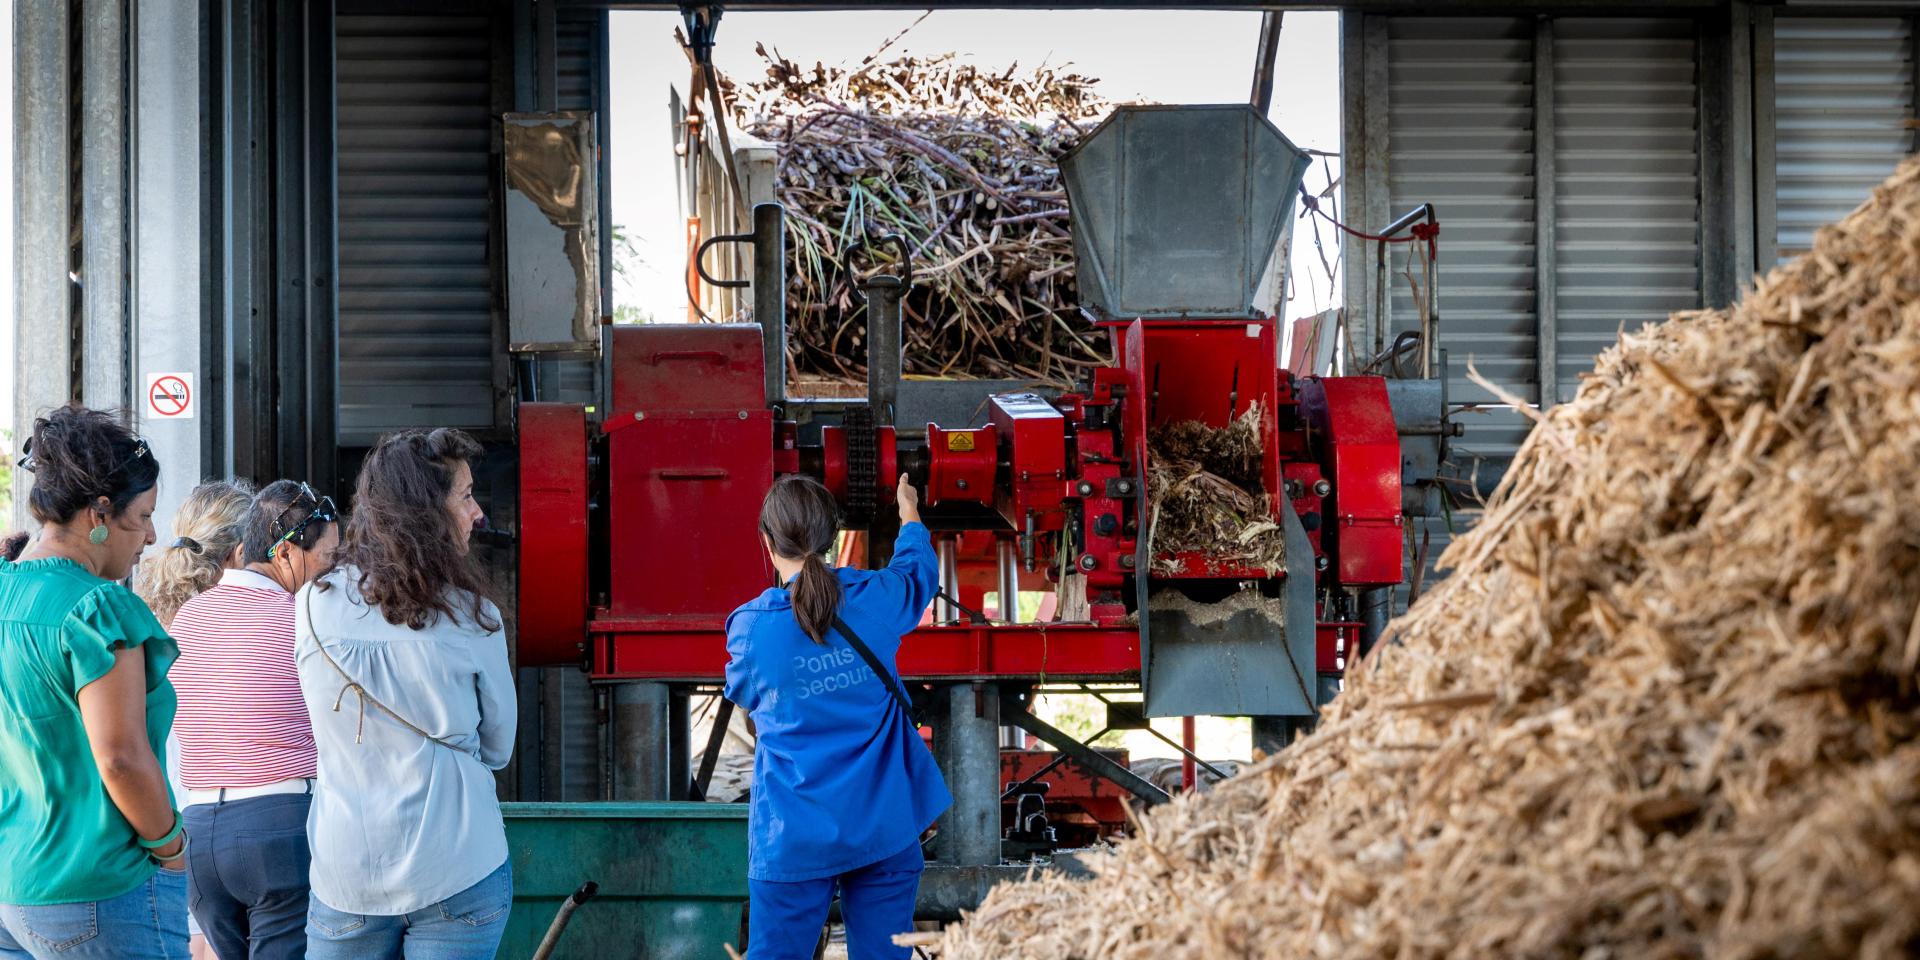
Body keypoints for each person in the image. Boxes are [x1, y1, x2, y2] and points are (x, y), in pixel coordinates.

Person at [294, 428, 515, 960]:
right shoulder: (474, 616)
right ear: (427, 512)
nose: (478, 513)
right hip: (459, 862)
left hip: (349, 872)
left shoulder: (310, 606)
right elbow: (499, 748)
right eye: (464, 496)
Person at [724, 473, 951, 960]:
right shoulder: (877, 600)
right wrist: (908, 510)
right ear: (833, 537)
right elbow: (919, 571)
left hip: (793, 832)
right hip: (884, 827)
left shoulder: (750, 629)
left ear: (767, 541)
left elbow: (743, 694)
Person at [0, 404, 186, 959]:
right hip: (103, 888)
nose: (151, 537)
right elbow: (122, 756)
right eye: (145, 516)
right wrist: (170, 844)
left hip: (16, 884)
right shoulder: (97, 609)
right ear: (99, 513)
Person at [170, 480, 341, 960]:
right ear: (284, 553)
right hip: (278, 829)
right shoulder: (303, 617)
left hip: (200, 835)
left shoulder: (188, 616)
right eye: (327, 558)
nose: (329, 575)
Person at [133, 478, 257, 960]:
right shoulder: (251, 628)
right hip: (222, 823)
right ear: (239, 555)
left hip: (161, 829)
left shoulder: (145, 622)